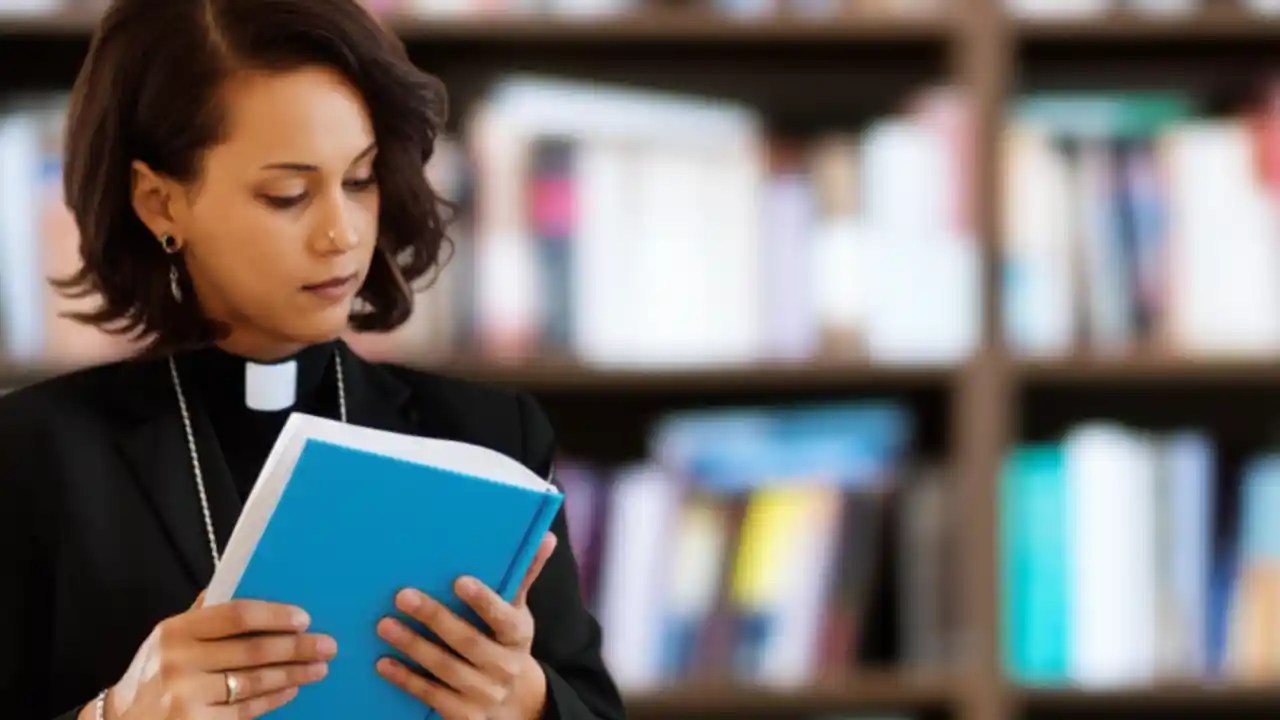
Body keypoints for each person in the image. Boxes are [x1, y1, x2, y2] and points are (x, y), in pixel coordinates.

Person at [0, 1, 626, 719]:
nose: (342, 234)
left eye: (359, 180)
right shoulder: (31, 456)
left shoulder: (491, 436)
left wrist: (524, 700)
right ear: (159, 202)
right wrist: (116, 714)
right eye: (288, 195)